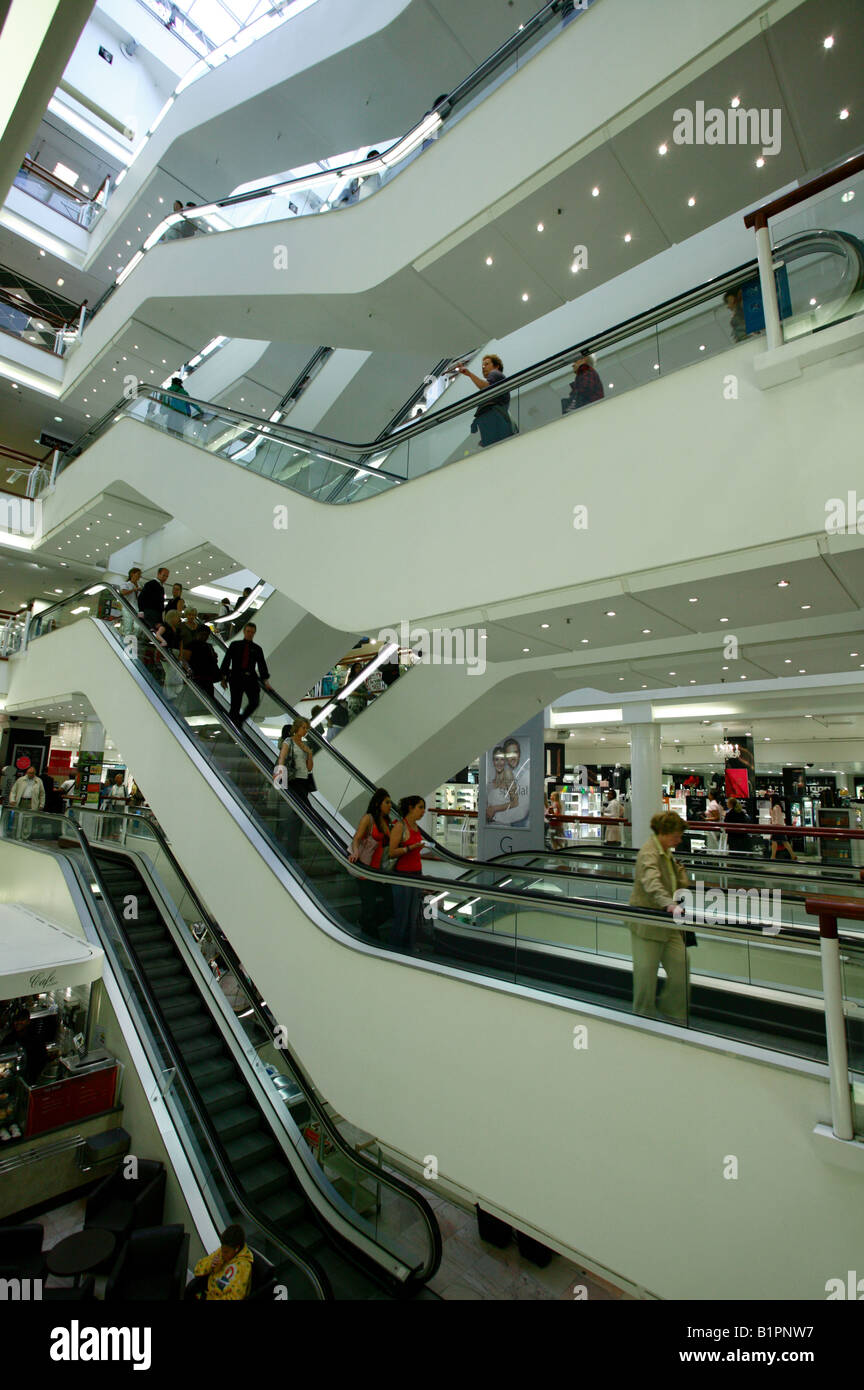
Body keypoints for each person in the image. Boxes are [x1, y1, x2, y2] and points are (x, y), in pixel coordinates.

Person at [629, 811, 690, 1022]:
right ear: (664, 833)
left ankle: (674, 1014)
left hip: (668, 923)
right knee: (645, 974)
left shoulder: (667, 851)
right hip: (648, 922)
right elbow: (651, 882)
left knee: (681, 965)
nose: (679, 840)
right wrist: (670, 905)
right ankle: (642, 1017)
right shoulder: (649, 853)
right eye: (676, 835)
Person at [350, 789, 394, 938]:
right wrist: (355, 852)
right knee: (369, 906)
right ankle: (371, 936)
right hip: (366, 869)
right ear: (377, 803)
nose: (390, 805)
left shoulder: (387, 822)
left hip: (379, 871)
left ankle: (365, 923)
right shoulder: (368, 819)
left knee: (390, 905)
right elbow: (356, 838)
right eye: (387, 802)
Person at [388, 795, 426, 953]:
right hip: (403, 875)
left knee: (412, 915)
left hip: (416, 873)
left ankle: (408, 947)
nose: (423, 811)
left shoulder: (417, 827)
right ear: (410, 808)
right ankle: (396, 949)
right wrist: (411, 848)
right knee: (402, 915)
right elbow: (391, 852)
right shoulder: (400, 827)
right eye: (420, 807)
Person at [455, 354, 517, 448]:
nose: (483, 367)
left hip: (494, 419)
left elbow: (485, 387)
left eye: (487, 364)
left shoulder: (495, 373)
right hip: (495, 420)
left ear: (496, 366)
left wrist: (469, 374)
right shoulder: (498, 381)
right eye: (482, 365)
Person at [274, 718, 315, 858]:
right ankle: (287, 840)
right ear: (296, 728)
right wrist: (281, 779)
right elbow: (282, 759)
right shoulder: (288, 742)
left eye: (307, 728)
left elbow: (309, 768)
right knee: (303, 811)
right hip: (293, 780)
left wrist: (309, 754)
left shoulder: (305, 745)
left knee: (299, 814)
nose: (305, 731)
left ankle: (291, 844)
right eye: (303, 728)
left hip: (304, 781)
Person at [220, 623, 272, 725]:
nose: (250, 634)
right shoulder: (235, 645)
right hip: (236, 677)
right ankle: (233, 724)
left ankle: (240, 720)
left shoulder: (257, 648)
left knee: (254, 702)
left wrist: (266, 681)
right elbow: (226, 661)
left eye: (252, 632)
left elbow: (262, 666)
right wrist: (223, 678)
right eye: (248, 631)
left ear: (254, 633)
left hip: (250, 678)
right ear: (244, 632)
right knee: (235, 704)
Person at [186, 1225, 253, 1301]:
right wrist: (210, 1265)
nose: (222, 1254)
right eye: (222, 1249)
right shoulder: (222, 1251)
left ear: (236, 1249)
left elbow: (235, 1297)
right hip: (206, 1293)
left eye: (226, 1252)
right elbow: (197, 1269)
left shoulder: (243, 1267)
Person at [9, 765, 46, 838]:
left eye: (32, 773)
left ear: (35, 773)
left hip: (31, 802)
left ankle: (25, 836)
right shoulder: (20, 780)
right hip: (21, 801)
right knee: (18, 818)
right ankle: (16, 835)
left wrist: (42, 804)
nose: (30, 774)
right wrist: (12, 800)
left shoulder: (38, 781)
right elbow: (13, 791)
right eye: (29, 773)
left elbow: (42, 794)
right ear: (26, 772)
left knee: (28, 820)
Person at [770, 795, 797, 861]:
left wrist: (773, 825)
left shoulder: (776, 807)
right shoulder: (778, 807)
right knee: (784, 841)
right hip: (780, 826)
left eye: (771, 799)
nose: (770, 800)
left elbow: (777, 818)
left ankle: (773, 857)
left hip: (777, 827)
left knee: (774, 842)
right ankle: (792, 855)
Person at [118, 566, 142, 634]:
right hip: (127, 607)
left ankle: (133, 639)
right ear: (132, 574)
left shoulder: (140, 585)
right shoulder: (125, 584)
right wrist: (134, 589)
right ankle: (127, 641)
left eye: (140, 575)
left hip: (137, 608)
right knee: (128, 627)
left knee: (138, 627)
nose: (139, 576)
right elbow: (123, 592)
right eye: (138, 574)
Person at [106, 772, 127, 838]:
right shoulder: (114, 787)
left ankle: (117, 833)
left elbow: (127, 797)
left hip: (120, 806)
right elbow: (110, 795)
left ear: (121, 779)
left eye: (118, 778)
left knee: (118, 820)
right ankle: (112, 833)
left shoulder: (124, 787)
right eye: (116, 778)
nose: (117, 780)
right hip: (113, 805)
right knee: (112, 820)